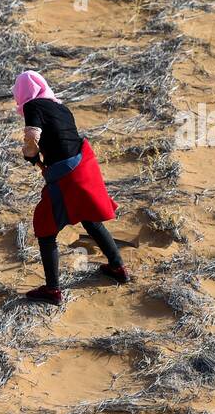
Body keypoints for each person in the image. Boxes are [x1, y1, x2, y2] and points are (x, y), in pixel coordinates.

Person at [14, 70, 129, 306]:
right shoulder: (61, 108)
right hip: (85, 165)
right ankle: (117, 267)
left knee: (45, 228)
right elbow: (60, 140)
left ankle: (53, 290)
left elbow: (32, 136)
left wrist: (29, 154)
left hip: (68, 175)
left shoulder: (33, 105)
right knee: (90, 218)